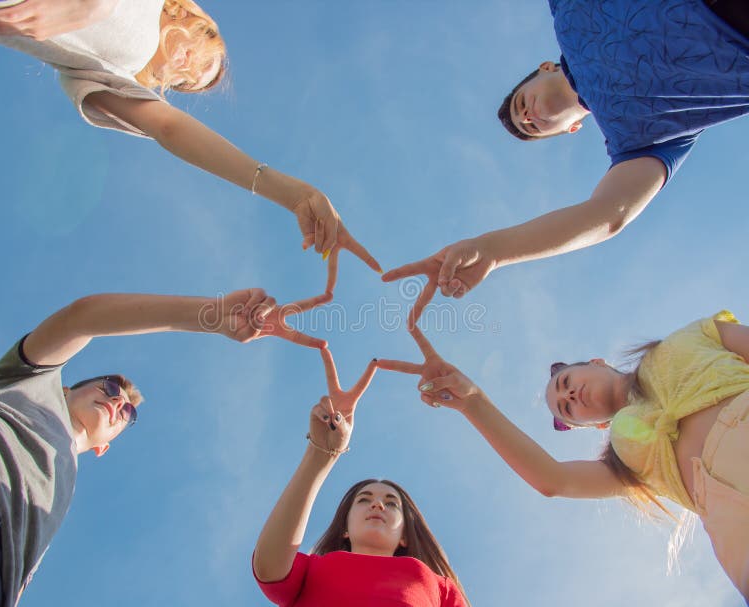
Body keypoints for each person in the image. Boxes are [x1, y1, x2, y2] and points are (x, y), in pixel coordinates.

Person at [0, 286, 333, 607]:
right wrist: (211, 315)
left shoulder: (60, 489)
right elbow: (83, 317)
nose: (117, 403)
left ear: (105, 448)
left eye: (128, 411)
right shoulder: (30, 381)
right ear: (67, 388)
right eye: (110, 388)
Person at [0, 0, 380, 273]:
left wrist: (294, 193)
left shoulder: (105, 72)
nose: (187, 70)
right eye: (202, 52)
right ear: (186, 13)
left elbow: (169, 128)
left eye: (187, 83)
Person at [381, 0, 749, 318]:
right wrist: (493, 250)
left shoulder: (569, 13)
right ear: (570, 130)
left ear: (544, 67)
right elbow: (607, 215)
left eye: (521, 103)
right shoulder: (637, 139)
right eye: (534, 129)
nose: (526, 117)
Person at [374, 317, 749, 599]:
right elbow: (552, 479)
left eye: (566, 384)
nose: (569, 397)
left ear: (598, 362)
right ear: (595, 427)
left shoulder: (692, 337)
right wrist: (472, 402)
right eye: (566, 409)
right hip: (734, 521)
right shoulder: (626, 459)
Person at [253, 348, 467, 606]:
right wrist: (322, 453)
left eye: (391, 503)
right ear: (344, 527)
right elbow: (268, 569)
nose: (378, 504)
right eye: (364, 500)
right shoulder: (312, 569)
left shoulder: (437, 586)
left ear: (405, 536)